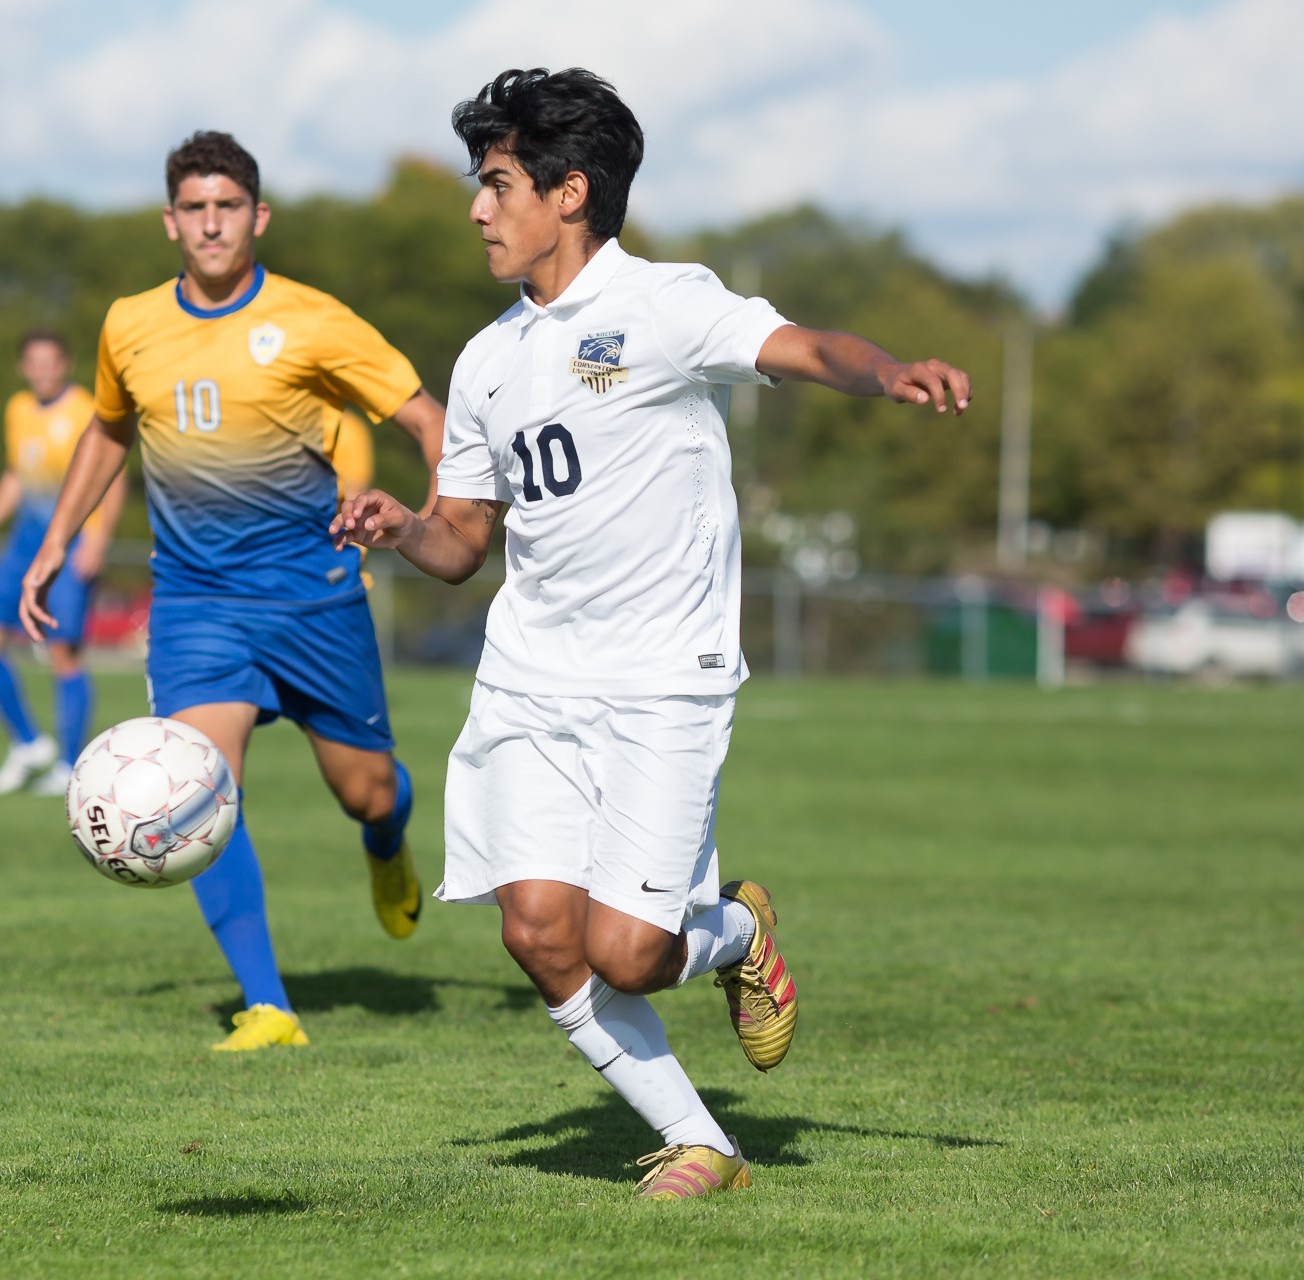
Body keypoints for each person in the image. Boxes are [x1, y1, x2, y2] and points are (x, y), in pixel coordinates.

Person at [332, 68, 972, 1199]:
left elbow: (808, 347)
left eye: (497, 184)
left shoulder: (668, 303)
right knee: (538, 934)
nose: (478, 209)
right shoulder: (485, 359)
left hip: (664, 679)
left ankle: (734, 934)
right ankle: (702, 1143)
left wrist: (889, 375)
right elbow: (464, 539)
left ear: (570, 191)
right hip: (530, 678)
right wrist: (401, 529)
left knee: (628, 953)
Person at [20, 131, 447, 1051]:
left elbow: (425, 417)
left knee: (369, 792)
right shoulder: (130, 323)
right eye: (195, 208)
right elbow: (107, 431)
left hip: (313, 599)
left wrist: (444, 520)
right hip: (195, 602)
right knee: (198, 792)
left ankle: (386, 844)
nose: (211, 223)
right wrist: (56, 540)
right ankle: (269, 1007)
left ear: (259, 217)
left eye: (228, 207)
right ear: (169, 222)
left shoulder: (313, 319)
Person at [0, 330, 126, 796]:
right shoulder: (17, 409)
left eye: (50, 361)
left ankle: (69, 766)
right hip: (23, 543)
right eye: (33, 361)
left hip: (70, 543)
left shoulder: (85, 409)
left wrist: (97, 540)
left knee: (63, 654)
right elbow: (17, 474)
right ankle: (29, 742)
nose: (42, 370)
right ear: (23, 367)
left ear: (66, 364)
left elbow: (112, 476)